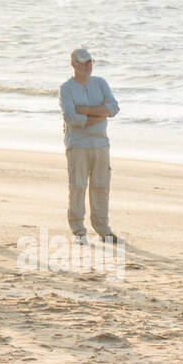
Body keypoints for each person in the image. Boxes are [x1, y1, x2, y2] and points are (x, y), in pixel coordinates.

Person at [59, 48, 120, 243]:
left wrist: (86, 111)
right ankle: (78, 230)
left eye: (90, 62)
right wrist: (100, 114)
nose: (87, 67)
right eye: (83, 63)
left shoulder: (100, 83)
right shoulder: (66, 88)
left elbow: (114, 108)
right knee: (77, 186)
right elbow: (72, 118)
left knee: (101, 186)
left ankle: (103, 230)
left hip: (101, 143)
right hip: (78, 144)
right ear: (73, 64)